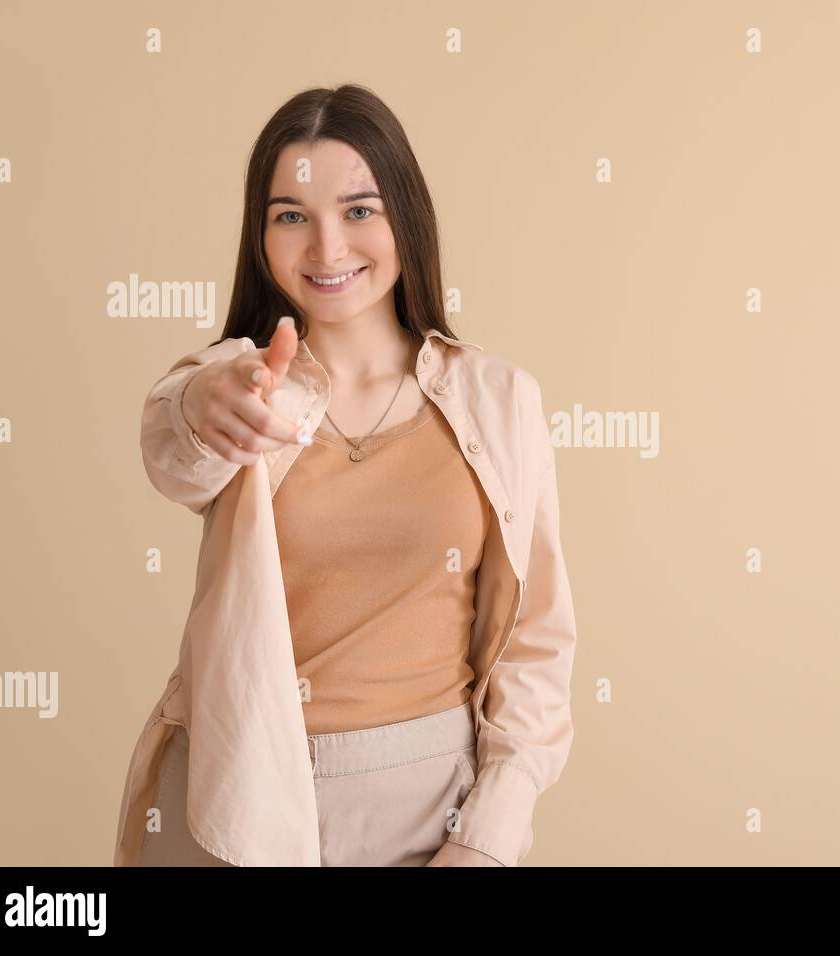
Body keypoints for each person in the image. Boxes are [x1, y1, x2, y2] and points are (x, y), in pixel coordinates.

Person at [115, 84, 577, 868]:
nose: (327, 249)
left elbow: (538, 648)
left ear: (406, 216)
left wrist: (489, 836)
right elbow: (174, 447)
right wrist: (207, 401)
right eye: (291, 215)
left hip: (431, 804)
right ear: (260, 236)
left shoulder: (500, 400)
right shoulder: (241, 382)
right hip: (238, 799)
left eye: (359, 210)